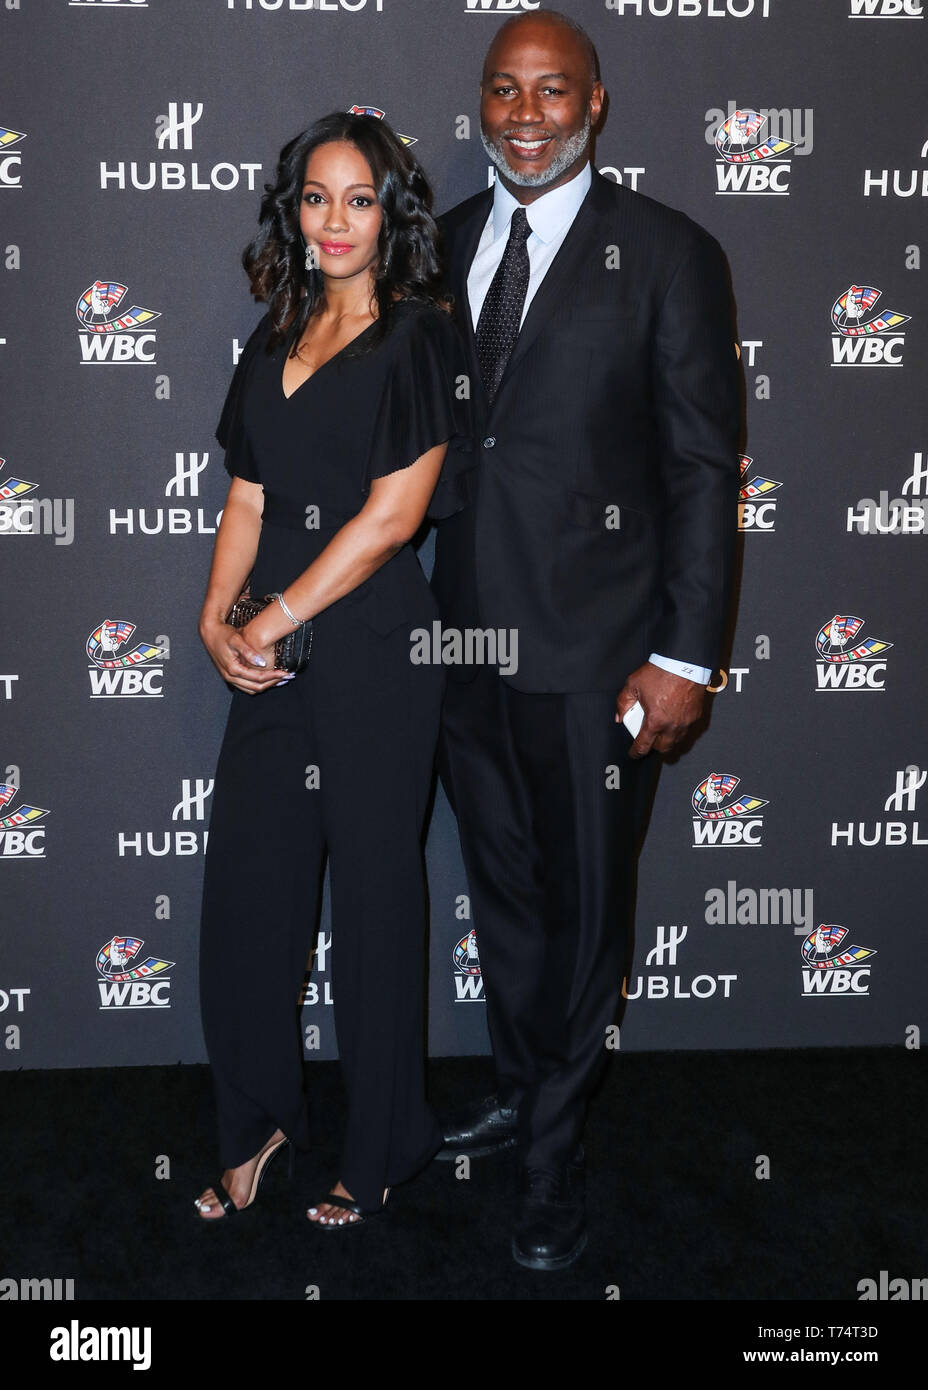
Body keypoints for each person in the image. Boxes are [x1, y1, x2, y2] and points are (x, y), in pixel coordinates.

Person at [430, 10, 741, 1269]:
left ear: (596, 105)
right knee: (503, 899)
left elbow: (701, 468)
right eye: (504, 91)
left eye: (551, 91)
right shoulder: (438, 246)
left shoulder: (668, 253)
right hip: (458, 656)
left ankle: (552, 1163)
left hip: (600, 662)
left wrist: (683, 655)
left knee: (583, 920)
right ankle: (519, 1085)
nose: (524, 114)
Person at [194, 111, 469, 1228]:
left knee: (371, 904)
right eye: (317, 196)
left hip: (370, 656)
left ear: (390, 213)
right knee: (249, 898)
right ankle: (256, 1123)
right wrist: (217, 618)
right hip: (270, 652)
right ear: (291, 210)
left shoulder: (419, 337)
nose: (336, 219)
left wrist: (276, 618)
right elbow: (249, 499)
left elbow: (394, 517)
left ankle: (381, 1144)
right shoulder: (277, 330)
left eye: (360, 198)